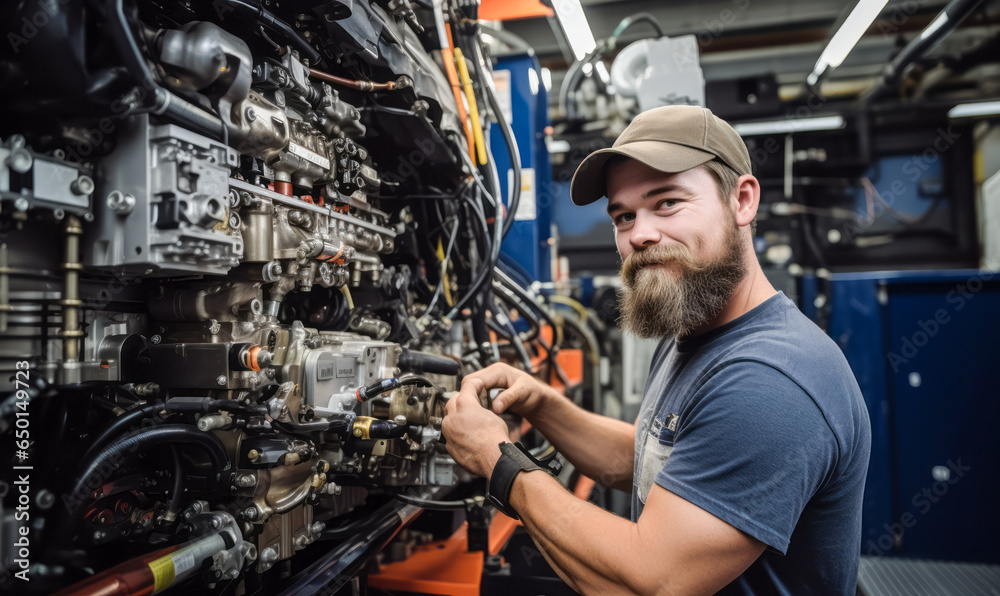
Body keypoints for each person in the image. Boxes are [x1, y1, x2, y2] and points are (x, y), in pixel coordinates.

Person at [441, 105, 871, 595]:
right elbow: (653, 462)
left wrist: (498, 462)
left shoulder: (770, 380)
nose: (640, 234)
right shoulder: (691, 330)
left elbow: (648, 585)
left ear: (742, 200)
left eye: (666, 203)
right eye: (624, 216)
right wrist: (542, 403)